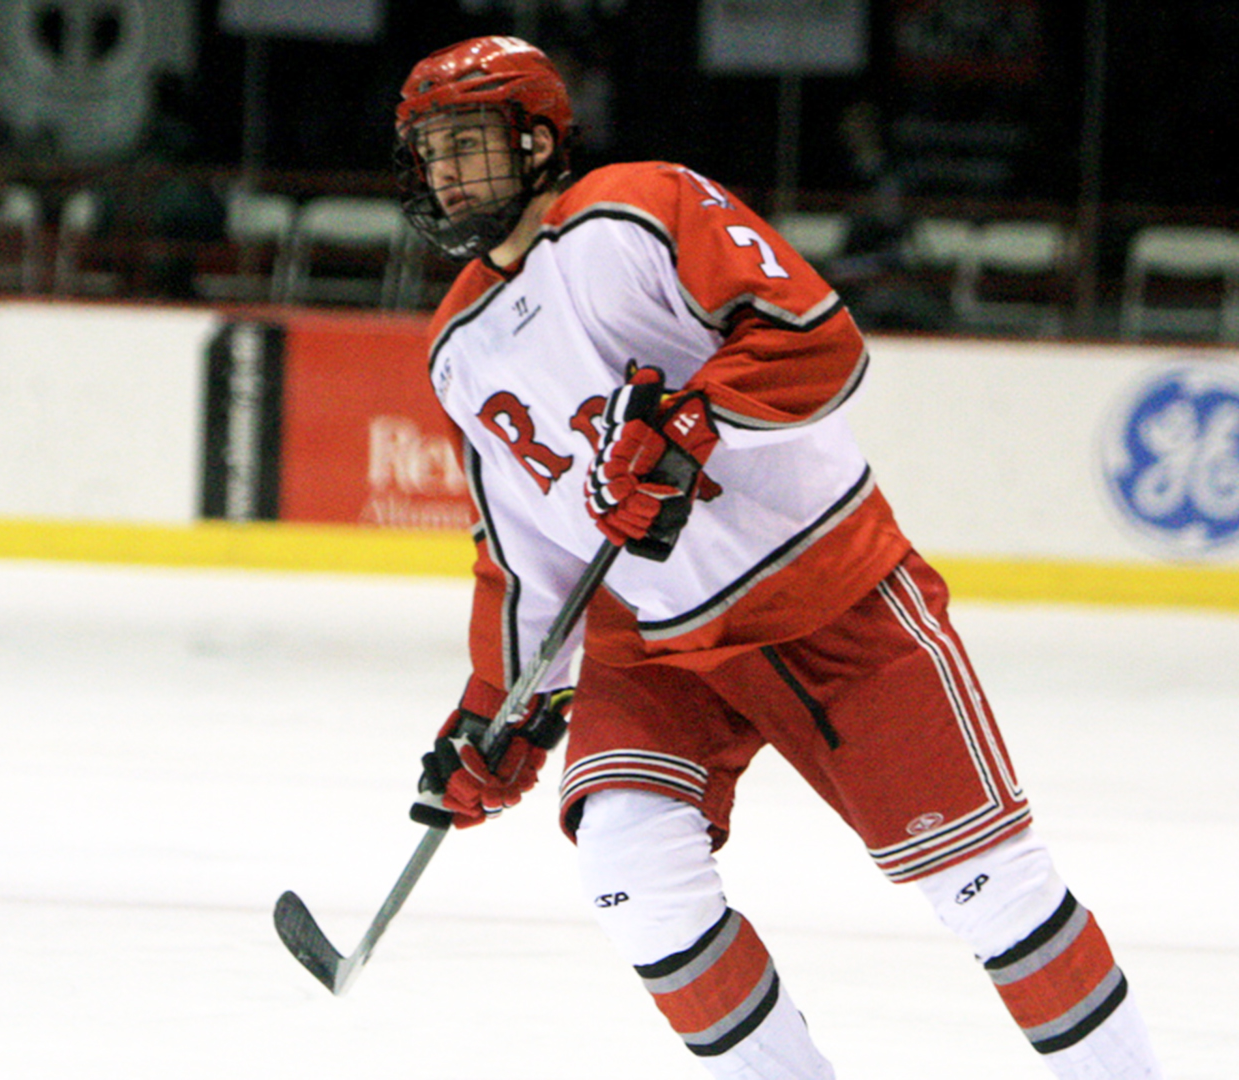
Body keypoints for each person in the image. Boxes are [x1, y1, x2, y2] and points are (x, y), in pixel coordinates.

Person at [393, 36, 1166, 1080]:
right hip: (654, 641)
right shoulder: (457, 346)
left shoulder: (640, 207)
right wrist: (499, 712)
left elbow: (817, 338)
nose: (442, 172)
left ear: (538, 141)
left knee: (990, 886)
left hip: (826, 592)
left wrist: (686, 425)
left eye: (466, 143)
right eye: (428, 151)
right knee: (632, 870)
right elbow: (521, 555)